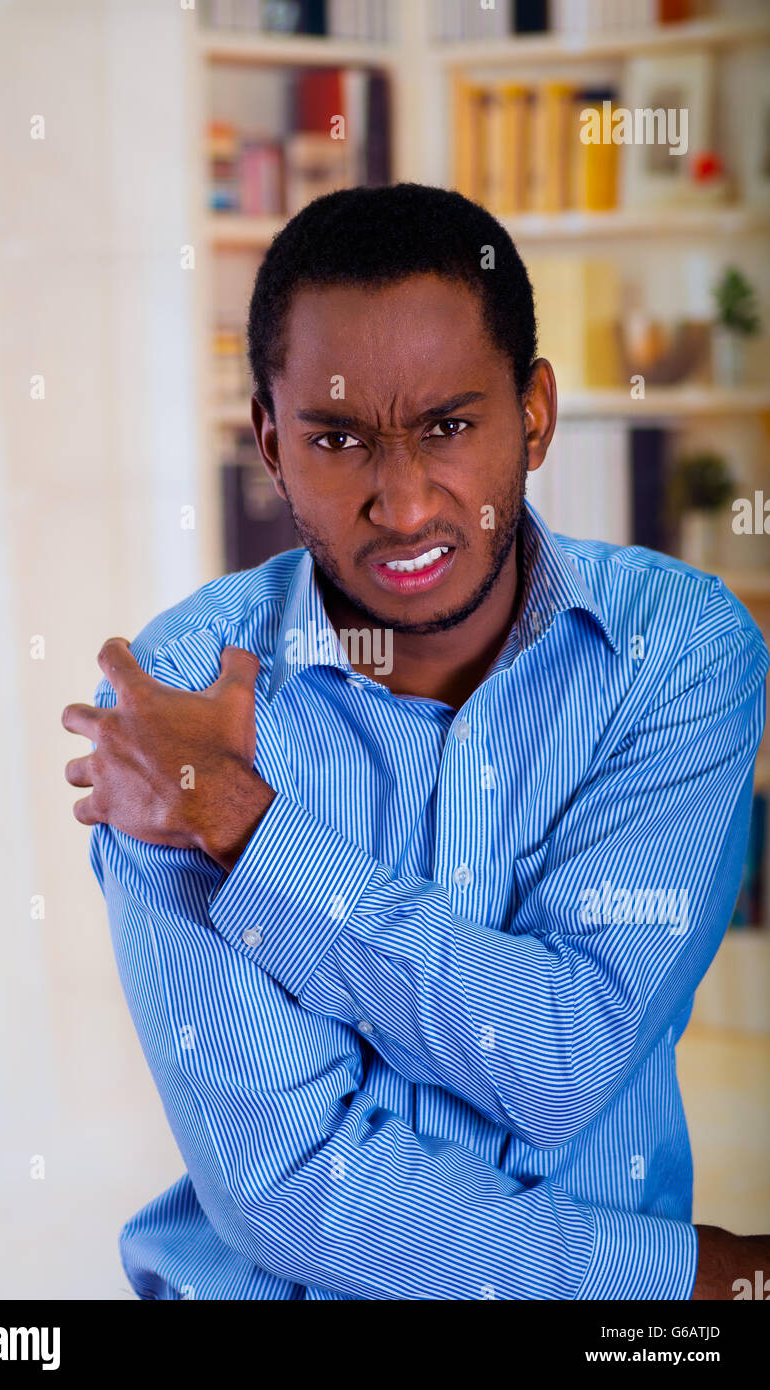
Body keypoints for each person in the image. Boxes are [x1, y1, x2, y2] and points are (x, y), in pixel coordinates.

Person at [63, 184, 769, 1300]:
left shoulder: (677, 652)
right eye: (338, 438)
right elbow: (289, 1187)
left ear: (534, 413)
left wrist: (248, 831)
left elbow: (560, 1061)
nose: (401, 505)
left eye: (448, 426)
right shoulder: (177, 700)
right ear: (270, 442)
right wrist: (677, 1278)